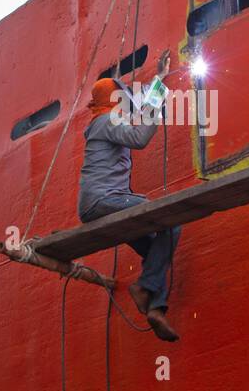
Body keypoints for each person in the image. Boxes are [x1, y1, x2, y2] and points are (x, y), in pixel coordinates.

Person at [77, 48, 182, 342]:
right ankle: (144, 289)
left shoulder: (105, 120)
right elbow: (140, 136)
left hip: (102, 203)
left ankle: (155, 308)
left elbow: (137, 106)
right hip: (104, 200)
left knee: (155, 252)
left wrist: (159, 79)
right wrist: (158, 96)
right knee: (168, 221)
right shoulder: (106, 122)